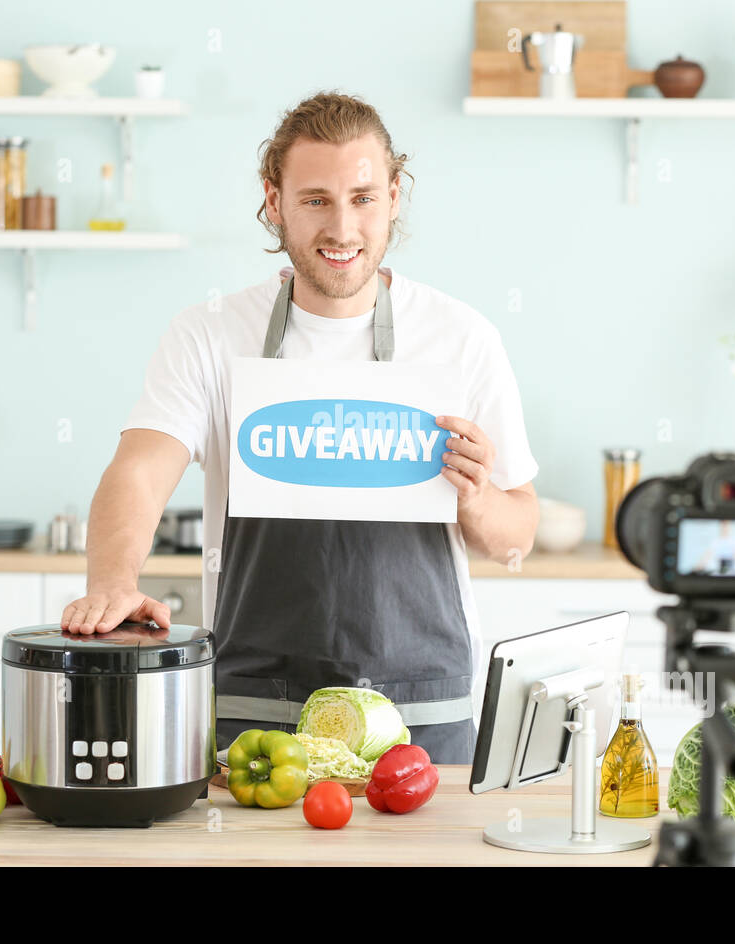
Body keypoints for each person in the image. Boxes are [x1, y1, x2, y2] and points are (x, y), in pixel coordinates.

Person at [61, 91, 539, 763]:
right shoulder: (209, 334)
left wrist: (479, 496)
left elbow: (517, 533)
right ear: (274, 201)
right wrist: (113, 580)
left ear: (393, 197)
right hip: (257, 708)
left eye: (363, 198)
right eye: (316, 200)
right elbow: (141, 467)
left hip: (422, 711)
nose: (342, 228)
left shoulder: (462, 338)